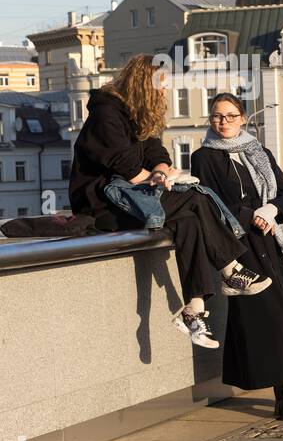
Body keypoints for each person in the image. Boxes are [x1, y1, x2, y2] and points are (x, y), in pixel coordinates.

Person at [69, 55, 271, 349]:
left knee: (189, 220)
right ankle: (231, 270)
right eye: (160, 87)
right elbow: (122, 163)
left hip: (134, 198)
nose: (163, 93)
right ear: (143, 85)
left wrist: (162, 172)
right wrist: (156, 180)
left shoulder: (137, 113)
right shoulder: (106, 114)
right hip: (101, 205)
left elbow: (155, 152)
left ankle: (194, 310)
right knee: (195, 197)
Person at [191, 93, 283, 421]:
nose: (224, 122)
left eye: (230, 116)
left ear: (242, 118)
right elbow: (212, 206)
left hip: (280, 246)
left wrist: (272, 211)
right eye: (217, 117)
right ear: (210, 121)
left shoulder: (259, 151)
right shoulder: (204, 158)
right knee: (271, 321)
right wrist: (250, 216)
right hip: (243, 251)